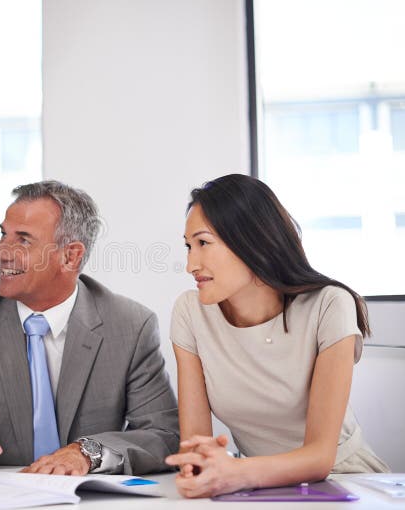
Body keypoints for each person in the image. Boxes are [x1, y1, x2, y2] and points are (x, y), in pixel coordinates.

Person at [0, 180, 179, 479]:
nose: (0, 251)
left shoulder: (130, 325)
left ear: (70, 256)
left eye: (23, 240)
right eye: (3, 234)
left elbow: (164, 435)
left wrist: (87, 452)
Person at [165, 173, 389, 498]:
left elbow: (319, 457)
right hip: (255, 487)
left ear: (251, 240)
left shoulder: (329, 305)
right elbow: (196, 446)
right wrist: (199, 469)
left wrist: (235, 472)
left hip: (345, 480)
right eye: (188, 246)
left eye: (203, 243)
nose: (190, 264)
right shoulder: (190, 312)